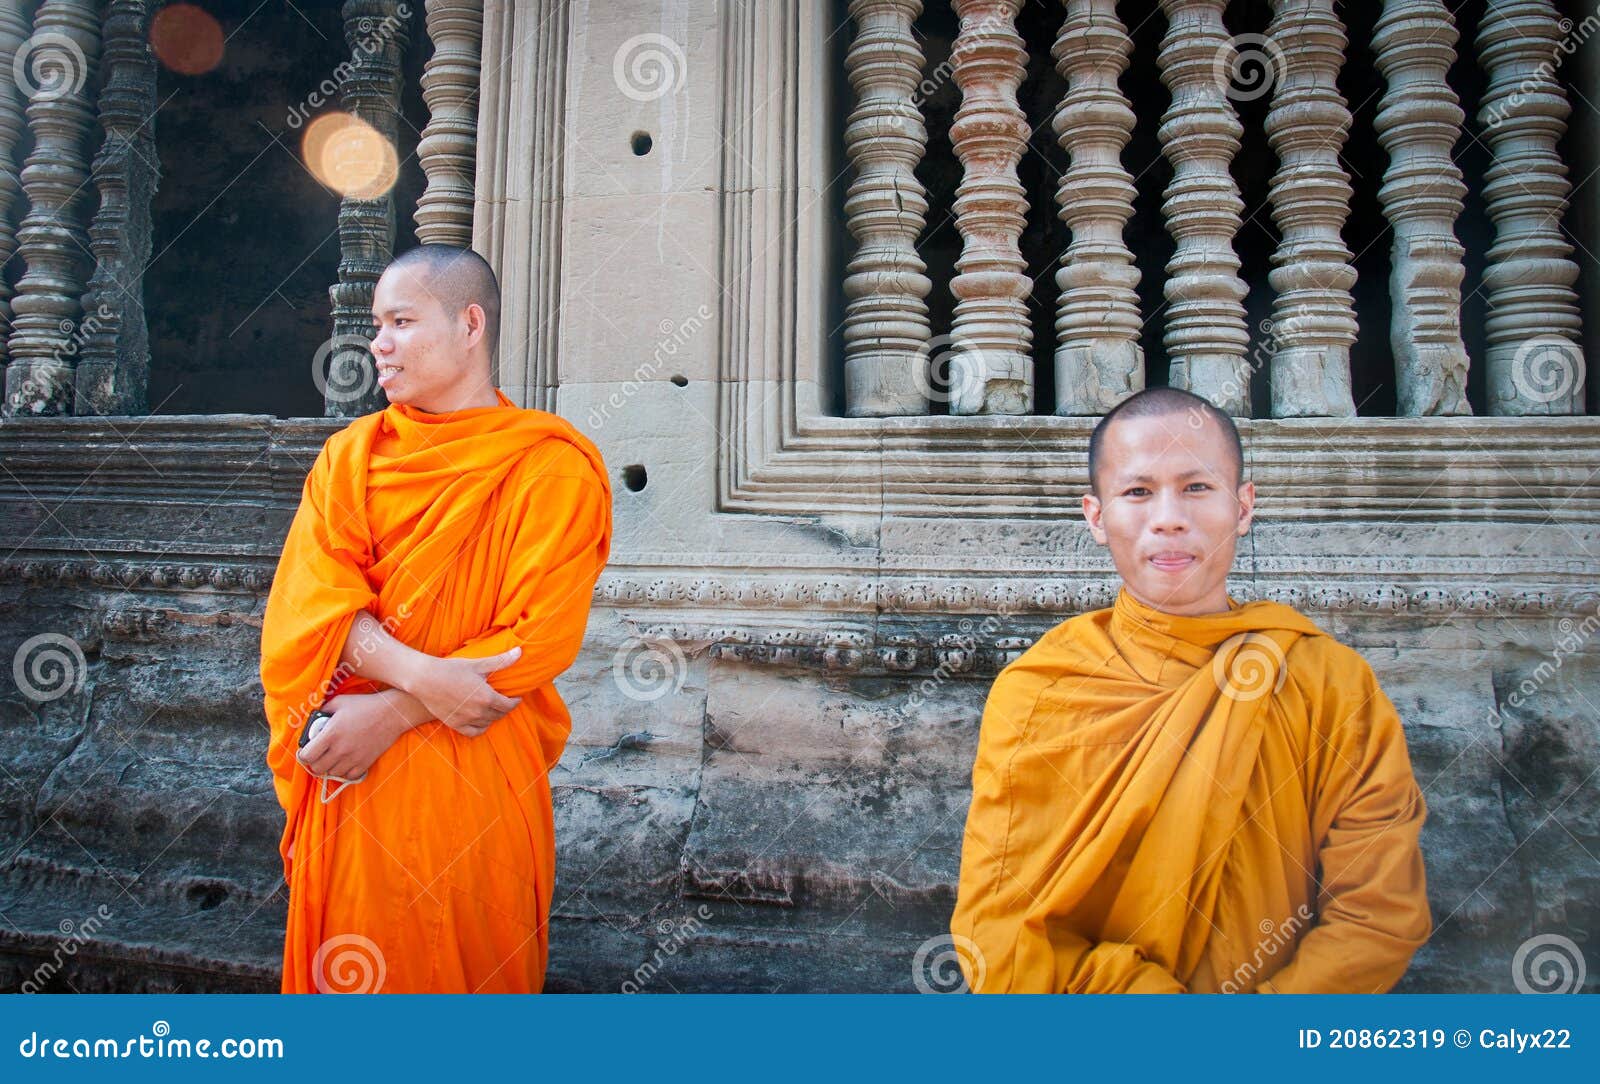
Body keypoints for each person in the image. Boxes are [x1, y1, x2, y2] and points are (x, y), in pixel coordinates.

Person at [949, 386, 1431, 993]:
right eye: (1137, 492)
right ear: (1096, 517)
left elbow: (1378, 914)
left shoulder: (1329, 682)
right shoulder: (1042, 691)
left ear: (1243, 507)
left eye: (1197, 487)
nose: (1169, 517)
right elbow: (999, 933)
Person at [259, 245, 612, 993]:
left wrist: (394, 712)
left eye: (402, 322)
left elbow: (538, 636)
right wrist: (418, 676)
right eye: (375, 325)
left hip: (473, 778)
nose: (377, 345)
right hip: (358, 779)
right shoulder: (349, 459)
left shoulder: (549, 466)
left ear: (470, 324)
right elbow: (312, 604)